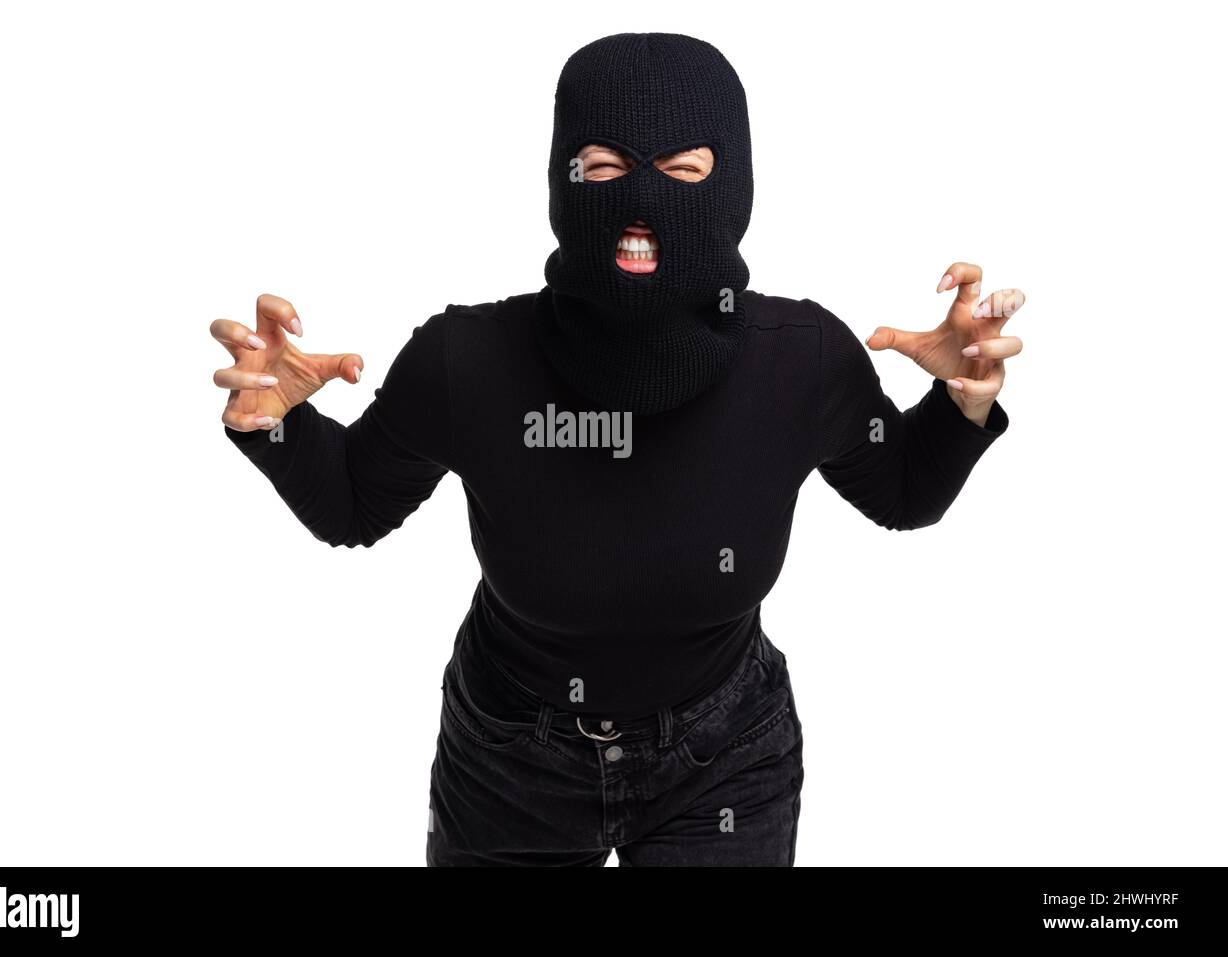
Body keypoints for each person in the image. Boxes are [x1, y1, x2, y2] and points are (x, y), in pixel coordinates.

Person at [209, 32, 1025, 866]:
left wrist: (960, 406)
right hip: (509, 764)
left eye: (683, 172)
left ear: (734, 182)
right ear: (561, 179)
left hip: (725, 761)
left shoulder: (800, 359)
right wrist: (273, 422)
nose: (640, 202)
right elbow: (353, 502)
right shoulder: (469, 360)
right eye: (601, 168)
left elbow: (902, 492)